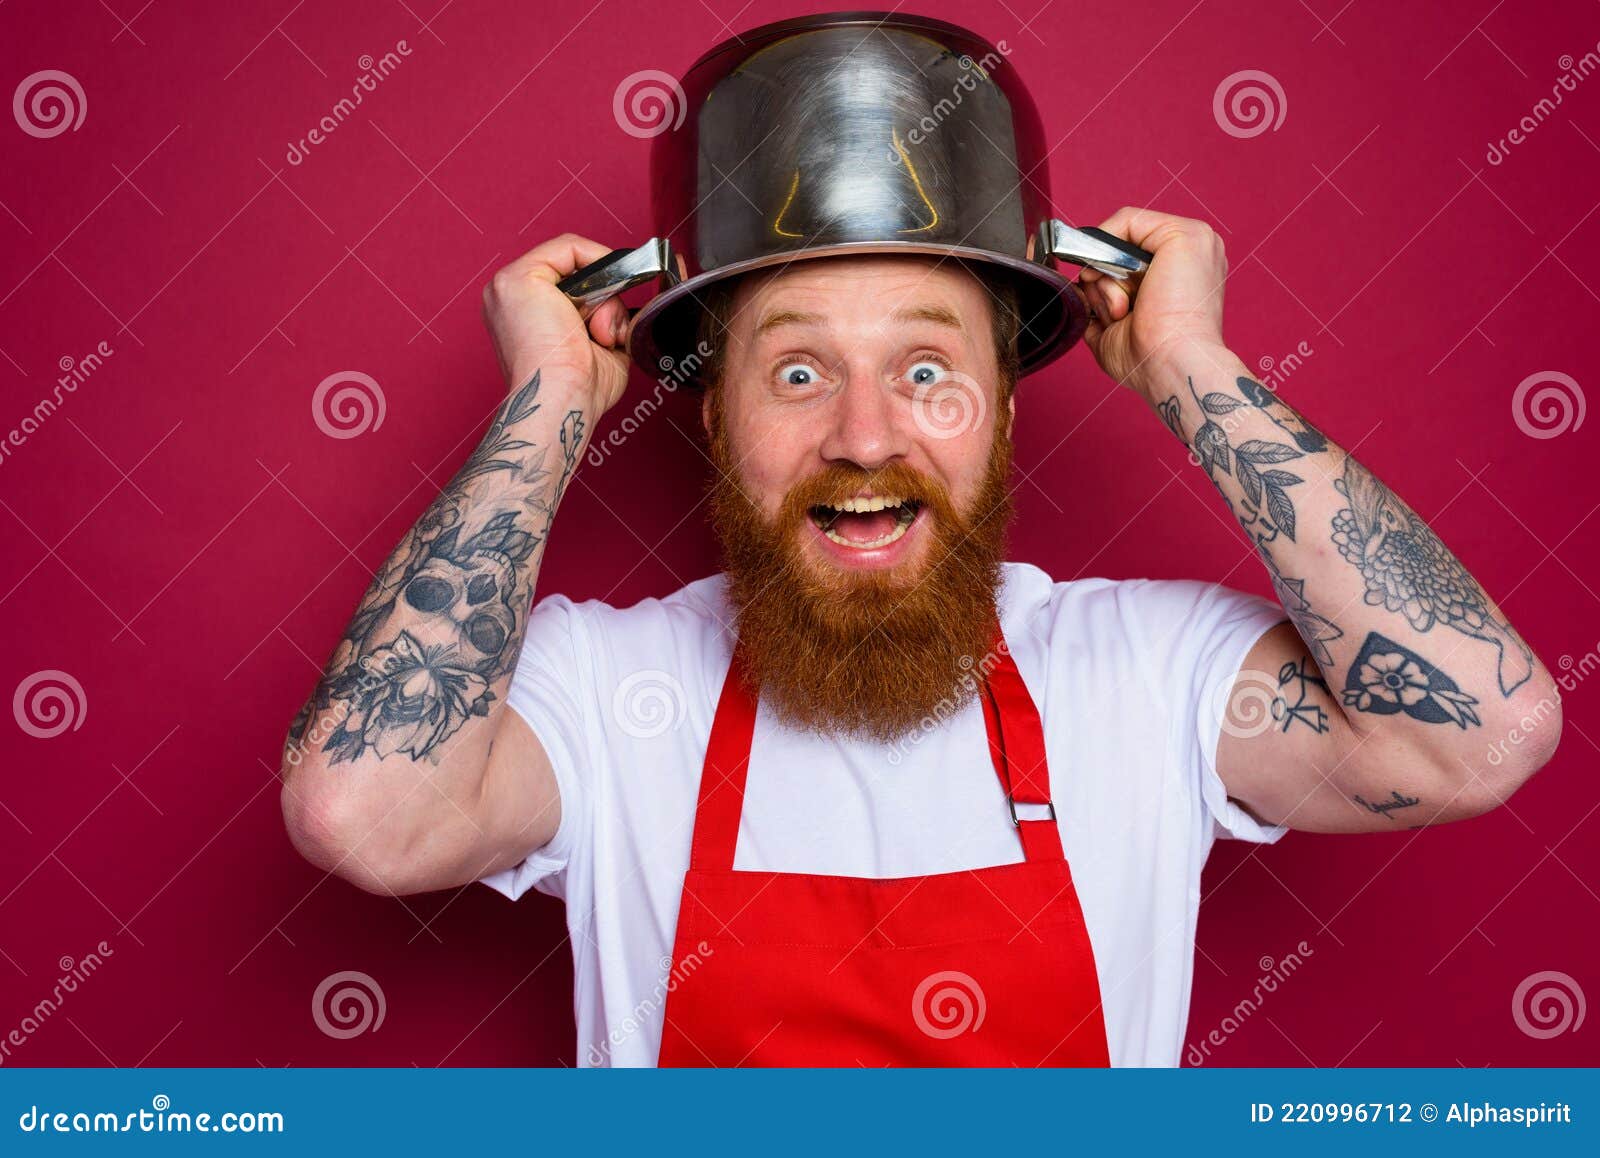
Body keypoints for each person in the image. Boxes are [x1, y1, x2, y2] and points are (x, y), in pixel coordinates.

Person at [279, 213, 1560, 1066]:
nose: (866, 435)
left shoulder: (1141, 673)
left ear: (1003, 420)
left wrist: (1184, 358)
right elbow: (366, 818)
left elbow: (1475, 738)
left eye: (929, 371)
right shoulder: (608, 688)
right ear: (715, 430)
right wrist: (551, 398)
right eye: (794, 374)